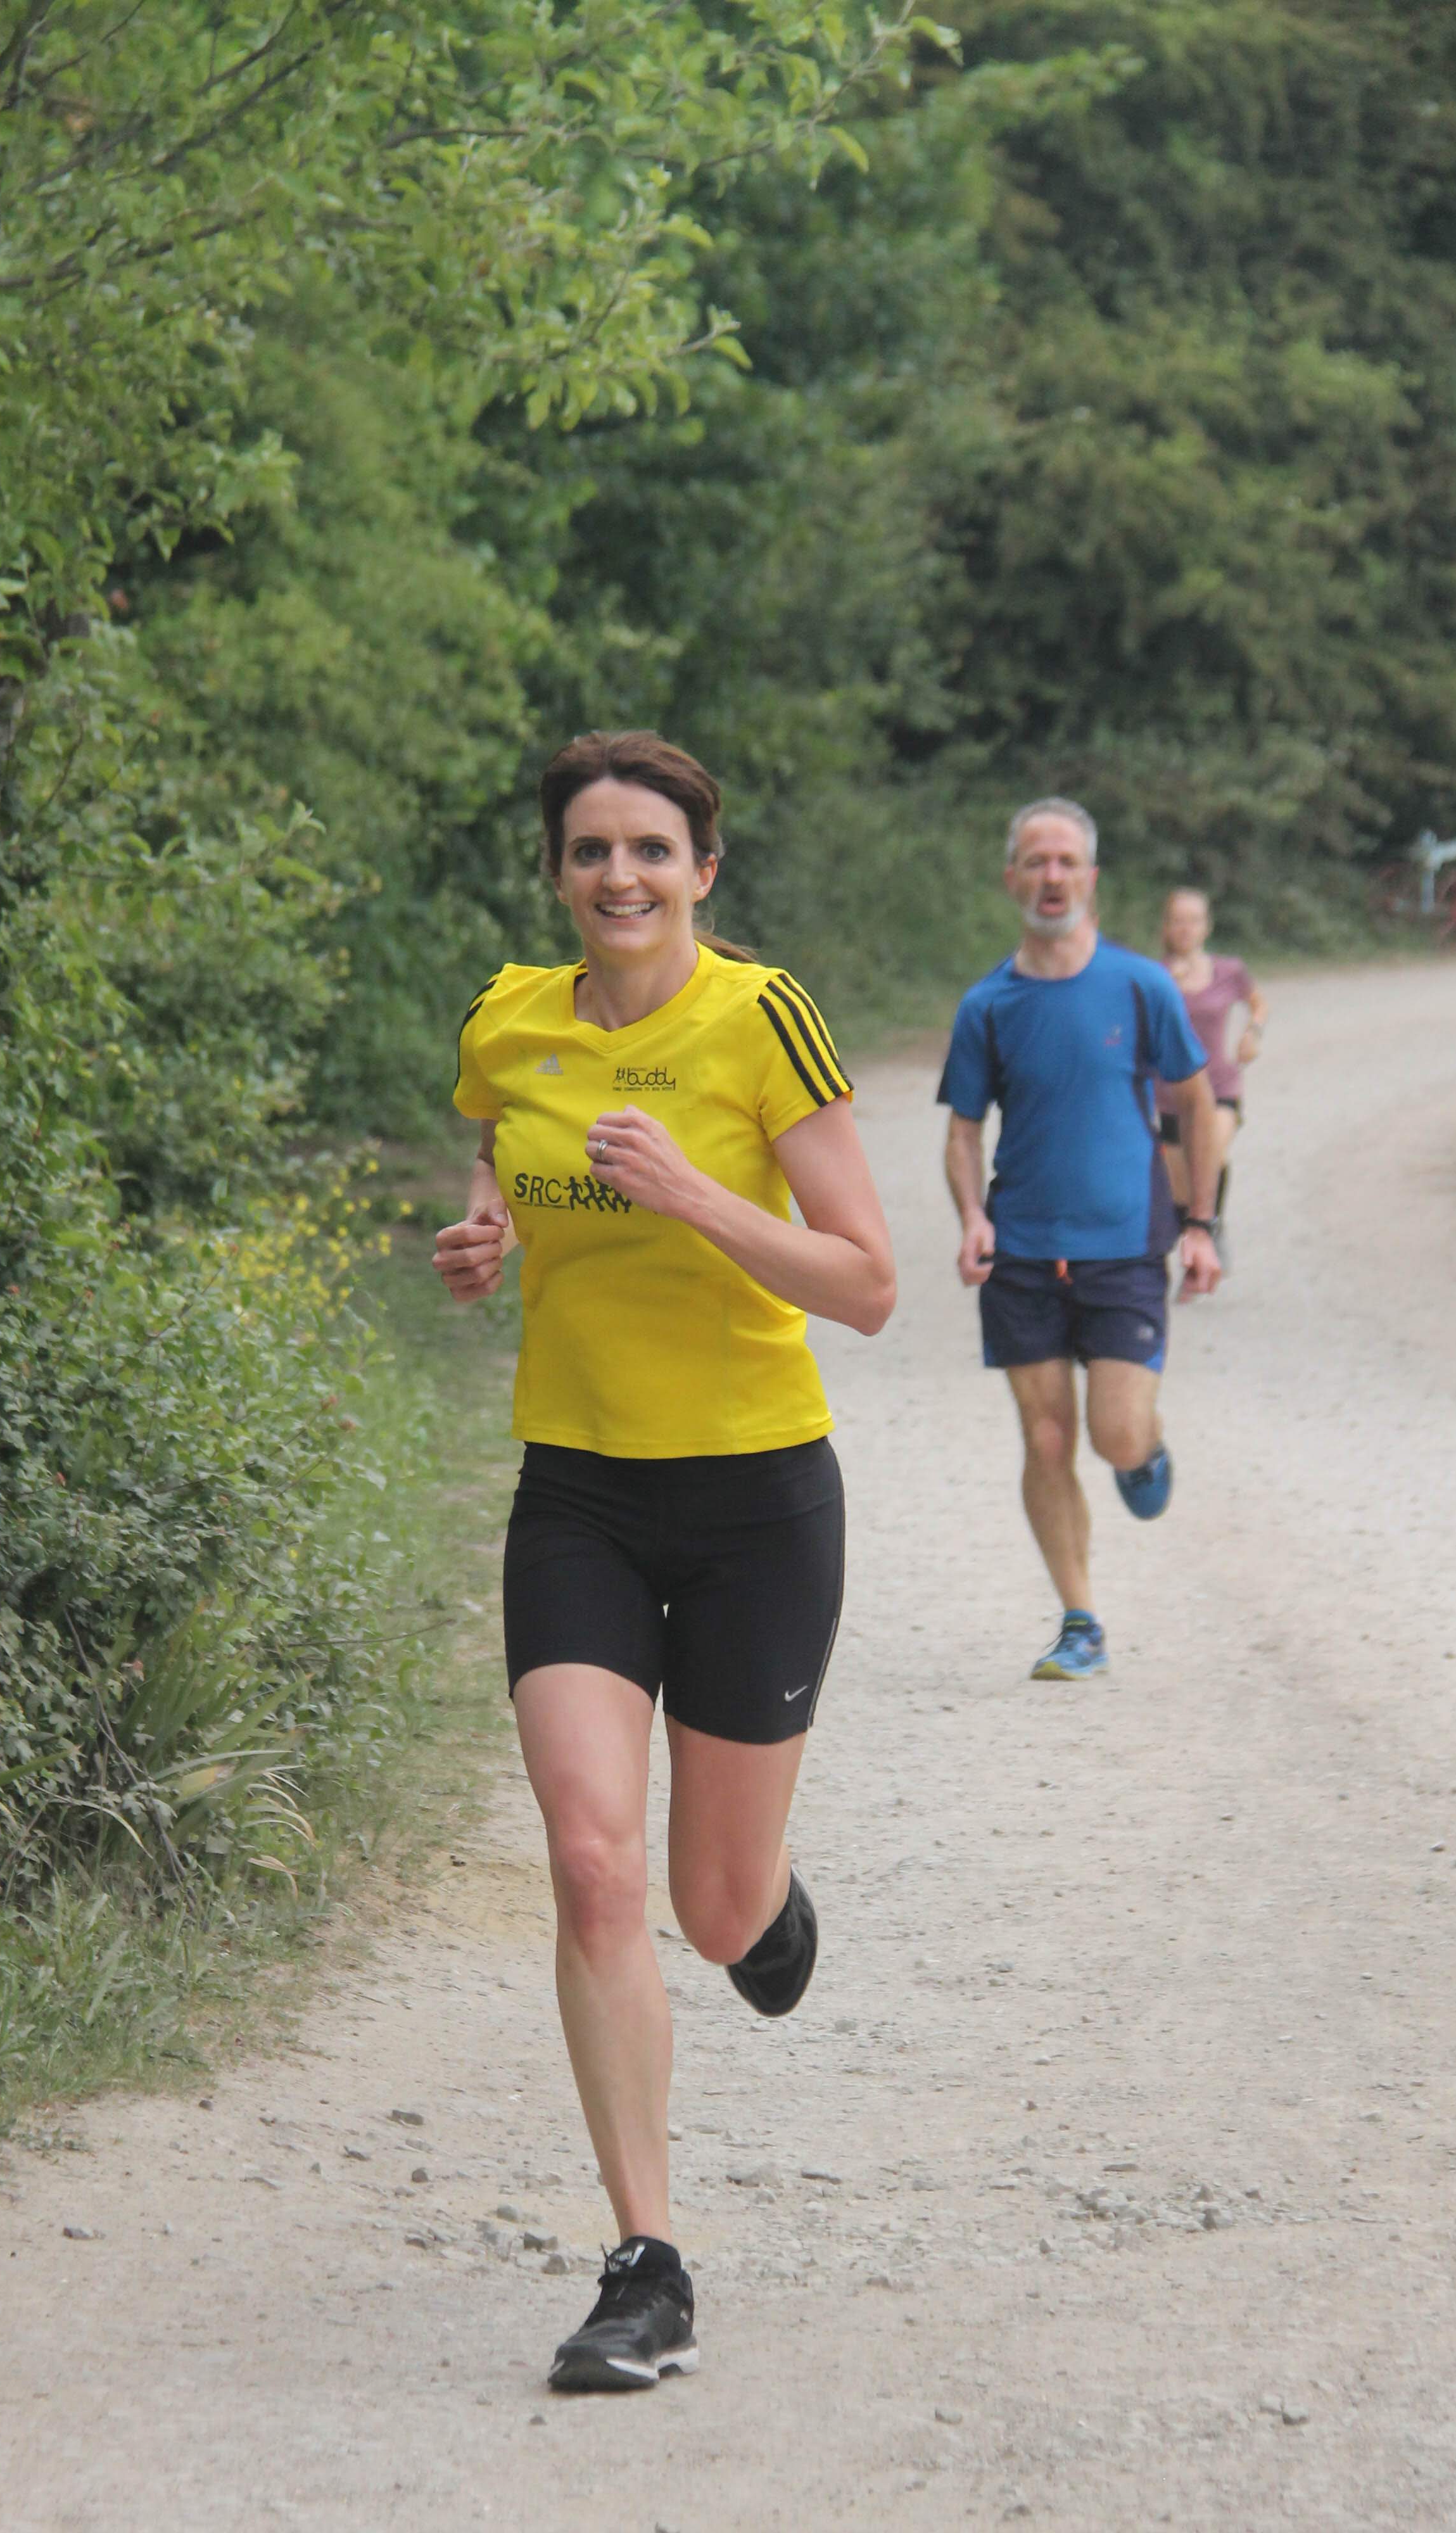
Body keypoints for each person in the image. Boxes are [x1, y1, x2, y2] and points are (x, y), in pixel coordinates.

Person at [433, 730, 896, 2392]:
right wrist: (486, 1230)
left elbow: (866, 1283)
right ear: (557, 875)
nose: (618, 877)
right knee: (589, 1859)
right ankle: (648, 2261)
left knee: (707, 1904)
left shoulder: (760, 1021)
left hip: (759, 1498)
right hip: (582, 1497)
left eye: (650, 851)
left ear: (705, 869)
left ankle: (761, 1909)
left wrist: (698, 1196)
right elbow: (496, 1144)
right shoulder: (512, 1019)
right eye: (588, 852)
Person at [938, 799, 1222, 1682]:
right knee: (1048, 1439)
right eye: (1035, 861)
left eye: (1066, 862)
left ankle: (1148, 1450)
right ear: (1011, 879)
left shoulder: (1141, 987)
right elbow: (962, 1131)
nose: (1051, 877)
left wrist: (1202, 1224)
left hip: (1126, 1248)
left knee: (1114, 1435)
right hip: (1022, 1252)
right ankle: (1080, 1620)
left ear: (1091, 879)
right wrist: (972, 1218)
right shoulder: (988, 1003)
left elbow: (1198, 1103)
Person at [1156, 886, 1267, 1254]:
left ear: (1206, 927)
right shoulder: (1152, 976)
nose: (1186, 929)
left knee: (1212, 1150)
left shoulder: (1228, 971)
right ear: (1167, 927)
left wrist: (1253, 1031)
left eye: (1194, 921)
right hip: (1170, 1094)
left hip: (1220, 1084)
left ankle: (1209, 1229)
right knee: (1182, 1190)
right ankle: (1195, 1230)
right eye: (1178, 921)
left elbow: (1257, 1003)